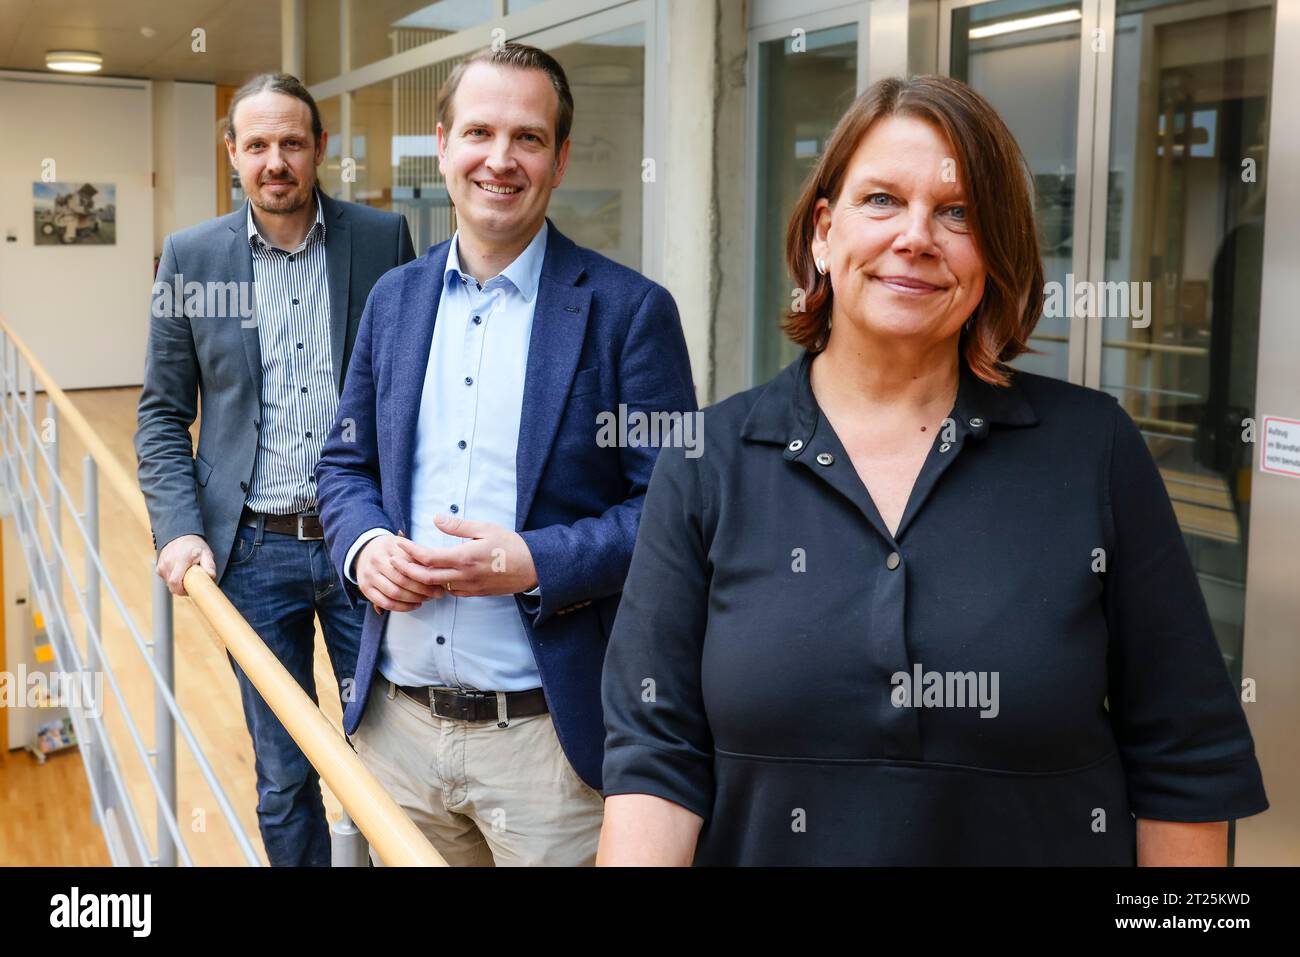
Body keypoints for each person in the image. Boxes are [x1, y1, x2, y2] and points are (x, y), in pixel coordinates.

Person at [597, 74, 1268, 866]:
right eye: (881, 200)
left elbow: (1184, 761)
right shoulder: (707, 462)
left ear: (993, 252)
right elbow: (655, 758)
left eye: (958, 213)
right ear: (822, 231)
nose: (917, 236)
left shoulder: (1096, 450)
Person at [314, 43, 696, 867]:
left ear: (559, 161)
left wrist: (535, 559)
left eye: (527, 137)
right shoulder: (394, 299)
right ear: (444, 144)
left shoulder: (631, 312)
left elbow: (672, 510)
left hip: (547, 747)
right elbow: (345, 464)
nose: (500, 158)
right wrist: (364, 545)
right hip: (395, 727)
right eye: (480, 131)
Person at [135, 73, 417, 866]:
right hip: (250, 551)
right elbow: (161, 411)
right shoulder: (193, 257)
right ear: (233, 154)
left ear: (320, 149)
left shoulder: (380, 237)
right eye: (256, 145)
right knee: (285, 776)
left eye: (292, 142)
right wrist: (181, 528)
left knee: (390, 758)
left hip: (365, 543)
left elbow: (412, 388)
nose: (276, 161)